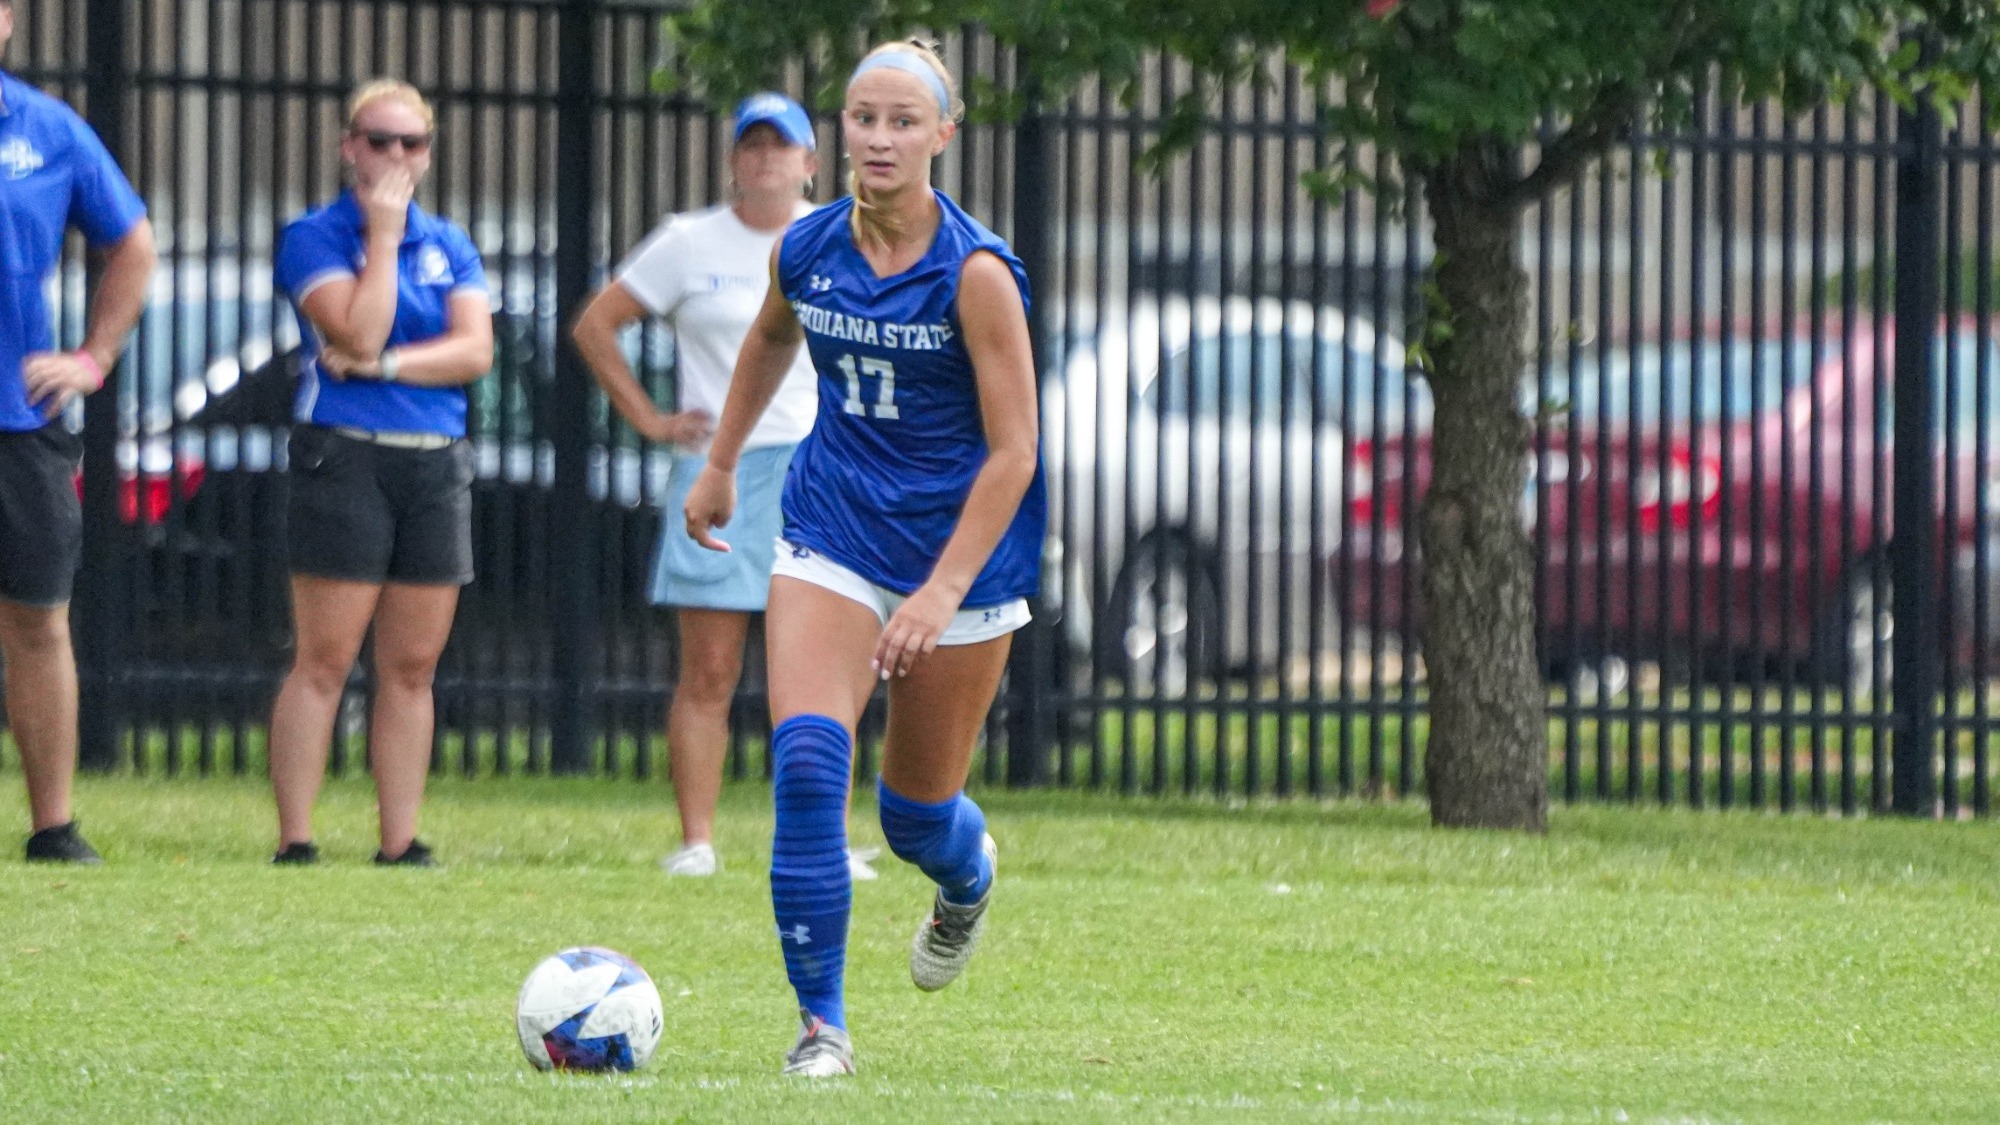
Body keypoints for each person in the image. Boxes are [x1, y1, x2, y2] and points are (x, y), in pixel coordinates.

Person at [682, 41, 1044, 1077]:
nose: (878, 139)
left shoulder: (974, 273)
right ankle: (820, 1027)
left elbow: (1015, 451)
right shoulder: (807, 248)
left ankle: (964, 878)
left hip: (961, 560)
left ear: (942, 134)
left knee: (912, 818)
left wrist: (938, 590)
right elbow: (765, 342)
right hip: (831, 526)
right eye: (862, 118)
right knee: (804, 762)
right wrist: (718, 466)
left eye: (900, 121)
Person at [572, 93, 876, 883]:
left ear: (813, 164)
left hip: (818, 469)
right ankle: (697, 839)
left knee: (817, 673)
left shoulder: (839, 237)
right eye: (754, 145)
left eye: (785, 147)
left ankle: (825, 840)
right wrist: (648, 417)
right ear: (734, 160)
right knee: (709, 670)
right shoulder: (686, 242)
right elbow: (595, 324)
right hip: (720, 468)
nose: (767, 158)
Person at [267, 78, 492, 867]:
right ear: (348, 147)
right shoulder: (314, 236)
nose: (395, 156)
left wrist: (390, 362)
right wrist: (386, 238)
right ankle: (297, 836)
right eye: (378, 139)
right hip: (345, 452)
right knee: (325, 657)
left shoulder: (451, 241)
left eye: (411, 143)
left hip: (435, 462)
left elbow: (474, 352)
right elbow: (354, 328)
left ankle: (400, 839)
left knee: (411, 664)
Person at [0, 0, 157, 864]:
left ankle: (52, 826)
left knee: (37, 619)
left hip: (19, 419)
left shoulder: (47, 130)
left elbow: (132, 242)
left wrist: (93, 357)